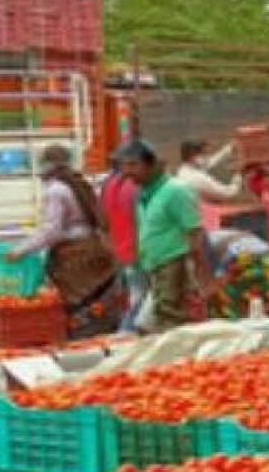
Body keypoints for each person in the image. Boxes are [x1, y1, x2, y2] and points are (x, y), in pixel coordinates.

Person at [7, 144, 126, 338]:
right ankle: (104, 339)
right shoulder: (78, 184)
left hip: (74, 258)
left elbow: (51, 231)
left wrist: (20, 251)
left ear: (46, 165)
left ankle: (86, 343)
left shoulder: (56, 191)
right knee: (99, 302)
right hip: (94, 250)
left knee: (81, 304)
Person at [132, 140, 214, 331]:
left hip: (175, 262)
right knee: (161, 314)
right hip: (155, 263)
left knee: (172, 316)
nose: (128, 172)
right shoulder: (145, 195)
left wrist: (201, 272)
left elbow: (194, 233)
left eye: (134, 165)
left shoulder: (176, 191)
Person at [100, 145, 143, 330]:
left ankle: (125, 332)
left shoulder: (109, 185)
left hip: (120, 247)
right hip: (136, 248)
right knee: (139, 297)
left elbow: (104, 218)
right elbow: (139, 219)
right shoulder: (132, 186)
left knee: (132, 294)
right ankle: (126, 334)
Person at [205, 228, 269, 319]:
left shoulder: (199, 246)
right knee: (268, 304)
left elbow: (216, 280)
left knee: (227, 312)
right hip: (267, 256)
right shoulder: (214, 236)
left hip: (241, 258)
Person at [175, 140, 254, 206]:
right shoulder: (198, 178)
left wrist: (229, 148)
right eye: (203, 154)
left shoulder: (183, 171)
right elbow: (229, 193)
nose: (206, 156)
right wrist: (238, 174)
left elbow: (210, 163)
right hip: (201, 217)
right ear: (192, 156)